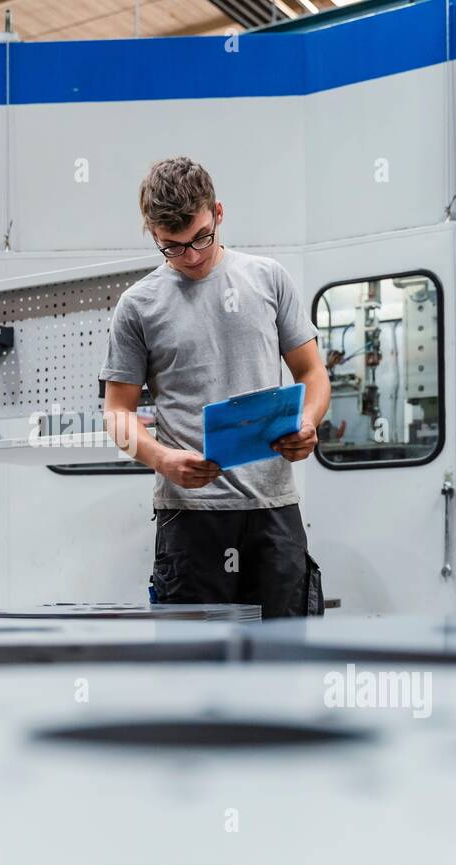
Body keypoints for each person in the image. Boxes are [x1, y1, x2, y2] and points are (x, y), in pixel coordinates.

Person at [101, 156, 331, 618]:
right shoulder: (137, 306)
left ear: (218, 213)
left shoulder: (268, 279)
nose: (191, 256)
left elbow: (313, 374)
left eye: (201, 237)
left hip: (272, 509)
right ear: (153, 235)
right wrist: (163, 459)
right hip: (190, 519)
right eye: (172, 247)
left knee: (284, 662)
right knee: (193, 673)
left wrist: (308, 423)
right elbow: (116, 414)